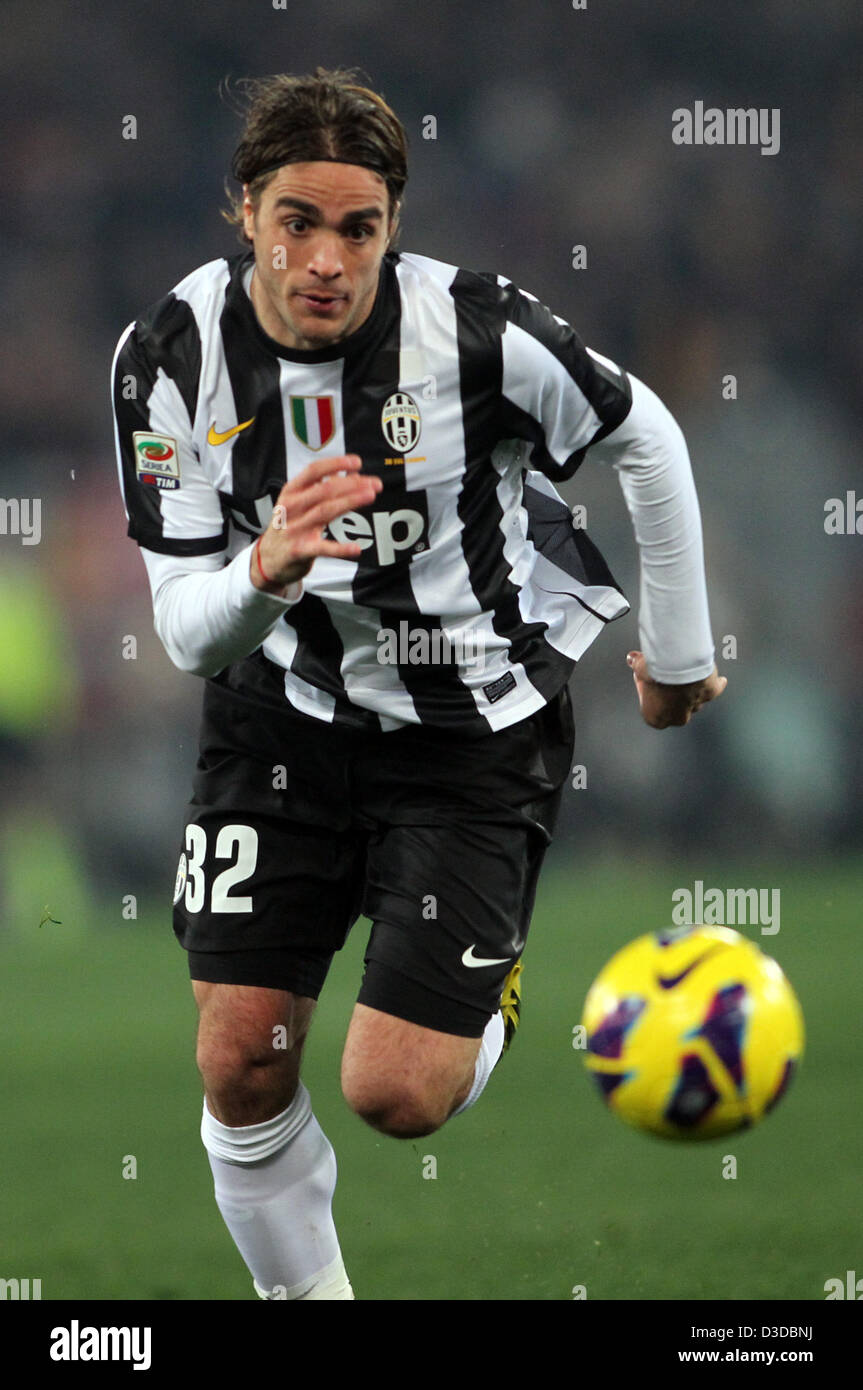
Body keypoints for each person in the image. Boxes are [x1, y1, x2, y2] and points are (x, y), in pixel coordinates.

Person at [111, 67, 726, 1301]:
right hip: (277, 713)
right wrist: (267, 567)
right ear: (244, 211)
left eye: (360, 226)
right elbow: (187, 629)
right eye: (297, 221)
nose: (327, 257)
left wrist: (682, 656)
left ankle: (482, 982)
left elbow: (642, 431)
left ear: (394, 223)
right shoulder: (168, 356)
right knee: (241, 1059)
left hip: (470, 732)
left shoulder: (476, 331)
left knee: (393, 1094)